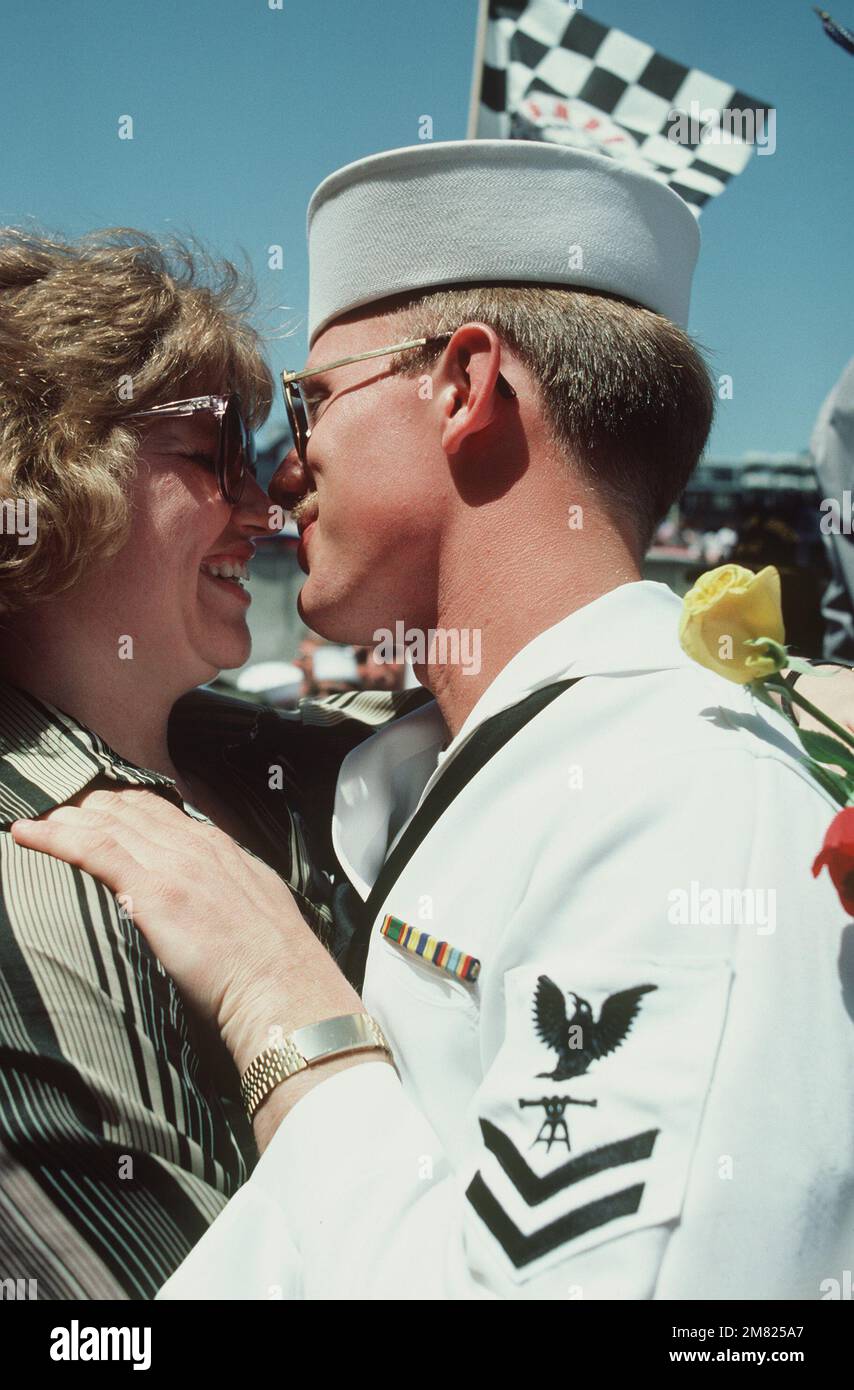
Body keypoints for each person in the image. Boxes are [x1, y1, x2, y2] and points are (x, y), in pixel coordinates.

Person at [12, 142, 854, 1300]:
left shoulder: (678, 797)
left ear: (462, 387)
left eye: (306, 408)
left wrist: (285, 1010)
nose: (281, 477)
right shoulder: (457, 764)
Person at [0, 228, 339, 1298]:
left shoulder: (279, 755)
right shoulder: (27, 886)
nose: (265, 505)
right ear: (49, 473)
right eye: (212, 459)